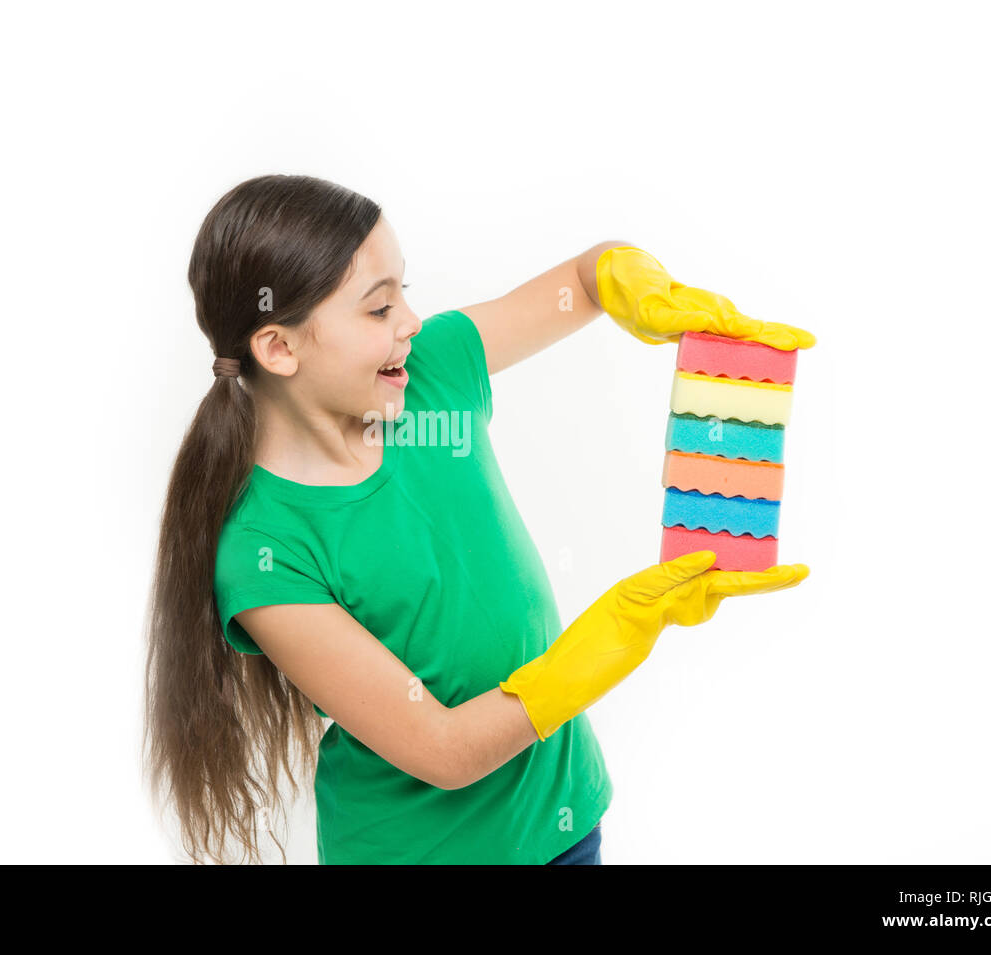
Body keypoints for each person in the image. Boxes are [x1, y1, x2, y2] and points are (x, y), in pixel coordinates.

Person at [142, 174, 814, 865]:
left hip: (563, 822)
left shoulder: (427, 373)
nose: (409, 320)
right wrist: (608, 638)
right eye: (377, 309)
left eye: (404, 289)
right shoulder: (265, 553)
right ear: (279, 348)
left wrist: (628, 282)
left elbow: (579, 283)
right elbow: (446, 749)